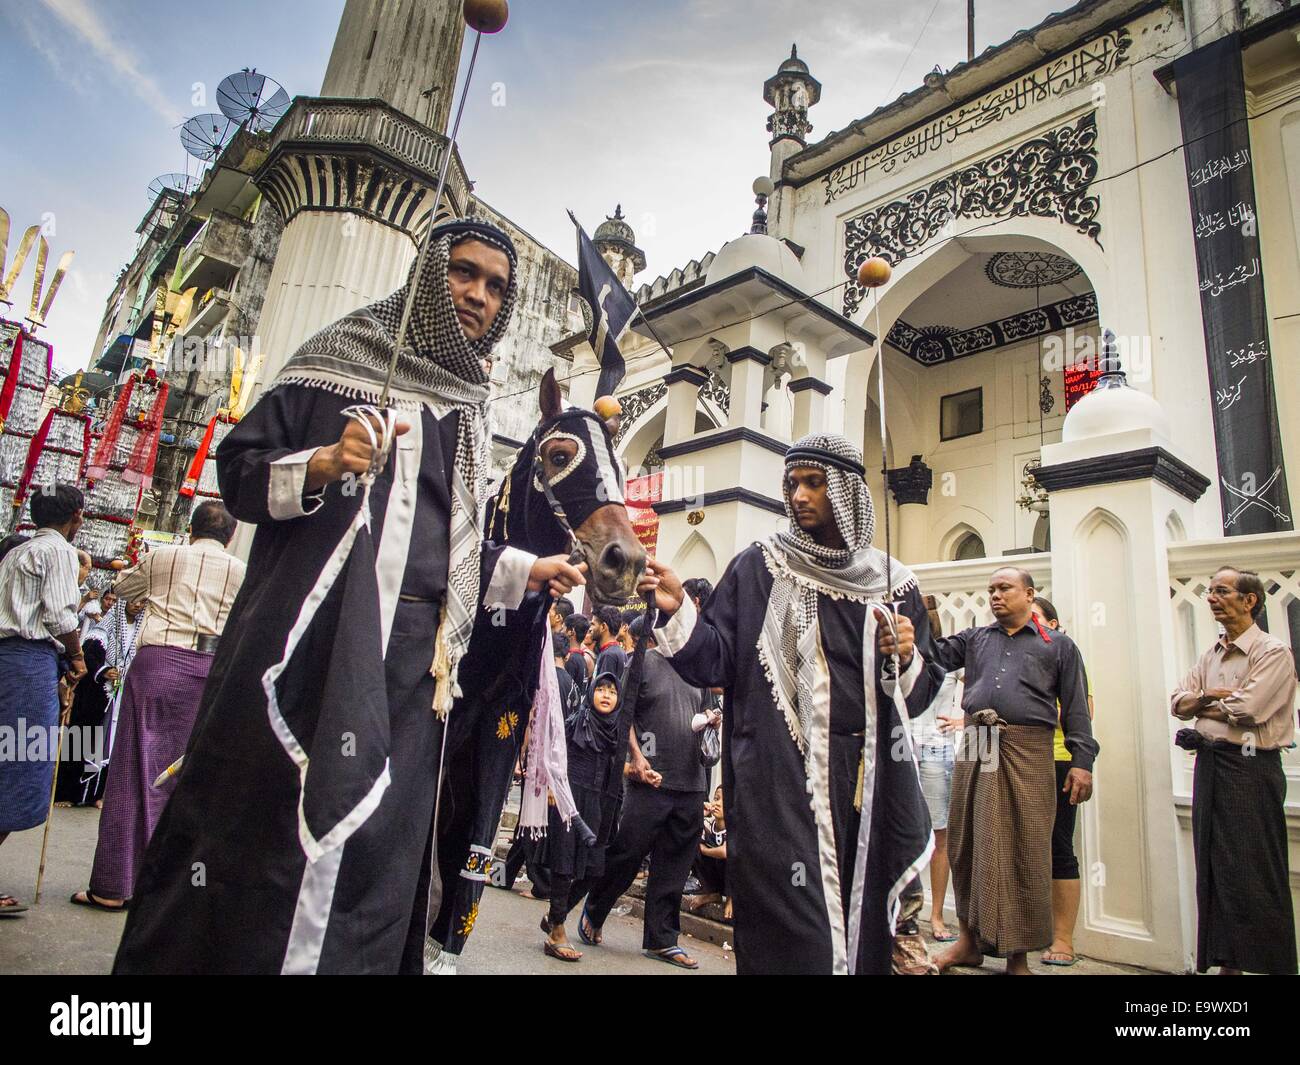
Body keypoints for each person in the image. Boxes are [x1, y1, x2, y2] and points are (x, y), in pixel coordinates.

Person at [113, 218, 584, 974]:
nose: (478, 294)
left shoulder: (470, 408)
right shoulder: (339, 357)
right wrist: (325, 462)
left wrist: (527, 569)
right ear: (433, 272)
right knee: (267, 833)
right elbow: (238, 474)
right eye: (464, 273)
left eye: (496, 286)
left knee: (372, 857)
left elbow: (447, 549)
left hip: (407, 684)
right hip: (306, 654)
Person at [639, 433, 941, 974]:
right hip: (780, 784)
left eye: (814, 483)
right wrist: (676, 609)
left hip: (866, 787)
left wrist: (905, 653)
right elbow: (715, 661)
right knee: (796, 932)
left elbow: (917, 698)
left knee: (862, 921)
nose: (799, 495)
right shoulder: (759, 567)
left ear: (847, 492)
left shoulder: (894, 586)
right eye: (793, 483)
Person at [72, 501, 246, 910]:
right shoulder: (242, 572)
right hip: (212, 670)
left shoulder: (162, 557)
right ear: (231, 537)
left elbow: (123, 589)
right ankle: (165, 890)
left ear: (190, 527)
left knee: (133, 772)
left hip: (158, 666)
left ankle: (114, 887)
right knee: (186, 776)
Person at [930, 567, 1098, 976]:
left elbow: (1076, 710)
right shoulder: (975, 639)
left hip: (1028, 748)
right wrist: (911, 616)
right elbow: (929, 652)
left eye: (1004, 588)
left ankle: (1017, 958)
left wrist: (1082, 763)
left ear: (1029, 593)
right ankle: (968, 942)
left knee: (1024, 848)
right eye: (991, 589)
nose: (995, 595)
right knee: (967, 842)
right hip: (978, 743)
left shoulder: (1058, 646)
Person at [1171, 566, 1297, 976]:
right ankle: (1228, 965)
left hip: (1249, 769)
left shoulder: (1272, 651)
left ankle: (1269, 965)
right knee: (1215, 865)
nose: (1211, 597)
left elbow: (1250, 709)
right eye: (1208, 591)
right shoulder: (1211, 653)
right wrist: (1209, 696)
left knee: (1253, 867)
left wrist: (1202, 704)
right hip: (1210, 763)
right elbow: (1177, 702)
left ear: (1250, 600)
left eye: (1221, 591)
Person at [579, 616, 708, 969]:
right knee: (627, 854)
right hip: (648, 780)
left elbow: (707, 710)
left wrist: (712, 719)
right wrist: (636, 760)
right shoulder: (640, 663)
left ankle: (662, 939)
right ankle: (595, 907)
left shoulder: (698, 670)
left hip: (692, 782)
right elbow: (624, 716)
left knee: (675, 865)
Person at [0, 484, 87, 917]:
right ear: (77, 517)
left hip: (14, 660)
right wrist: (76, 656)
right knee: (19, 765)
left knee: (12, 762)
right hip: (27, 661)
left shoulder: (18, 550)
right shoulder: (57, 552)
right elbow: (58, 615)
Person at [537, 672, 624, 962]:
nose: (606, 695)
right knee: (564, 864)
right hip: (569, 798)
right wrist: (553, 788)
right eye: (600, 689)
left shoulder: (615, 730)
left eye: (612, 691)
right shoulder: (577, 721)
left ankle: (554, 915)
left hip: (597, 804)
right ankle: (557, 932)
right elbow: (556, 754)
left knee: (593, 869)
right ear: (591, 693)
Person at [1030, 595, 1095, 968]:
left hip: (1057, 760)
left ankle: (1063, 939)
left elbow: (1080, 714)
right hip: (1011, 762)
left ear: (1053, 624)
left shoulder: (1067, 656)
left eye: (1037, 618)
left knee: (1058, 849)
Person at [54, 594, 148, 809]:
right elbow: (89, 655)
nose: (137, 605)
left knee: (110, 743)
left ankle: (96, 794)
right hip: (96, 695)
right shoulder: (104, 629)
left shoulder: (142, 631)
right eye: (133, 600)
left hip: (122, 694)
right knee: (83, 739)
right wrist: (105, 671)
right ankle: (67, 793)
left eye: (142, 602)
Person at [908, 596, 961, 943]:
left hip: (937, 747)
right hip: (902, 745)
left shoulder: (950, 657)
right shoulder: (902, 656)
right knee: (903, 831)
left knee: (940, 833)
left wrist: (963, 720)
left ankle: (937, 915)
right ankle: (906, 912)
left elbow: (981, 691)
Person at [686, 785, 729, 919]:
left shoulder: (736, 826)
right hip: (716, 873)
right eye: (716, 798)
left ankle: (732, 899)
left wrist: (705, 850)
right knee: (694, 843)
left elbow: (725, 851)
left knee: (734, 858)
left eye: (724, 801)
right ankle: (711, 892)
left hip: (733, 879)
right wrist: (700, 814)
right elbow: (687, 833)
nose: (717, 803)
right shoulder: (708, 823)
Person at [591, 604, 627, 678]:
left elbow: (604, 687)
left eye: (593, 624)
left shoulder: (609, 655)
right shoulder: (620, 652)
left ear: (603, 627)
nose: (590, 629)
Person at [563, 612, 594, 691]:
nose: (561, 631)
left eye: (563, 628)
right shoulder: (581, 658)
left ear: (571, 632)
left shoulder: (571, 660)